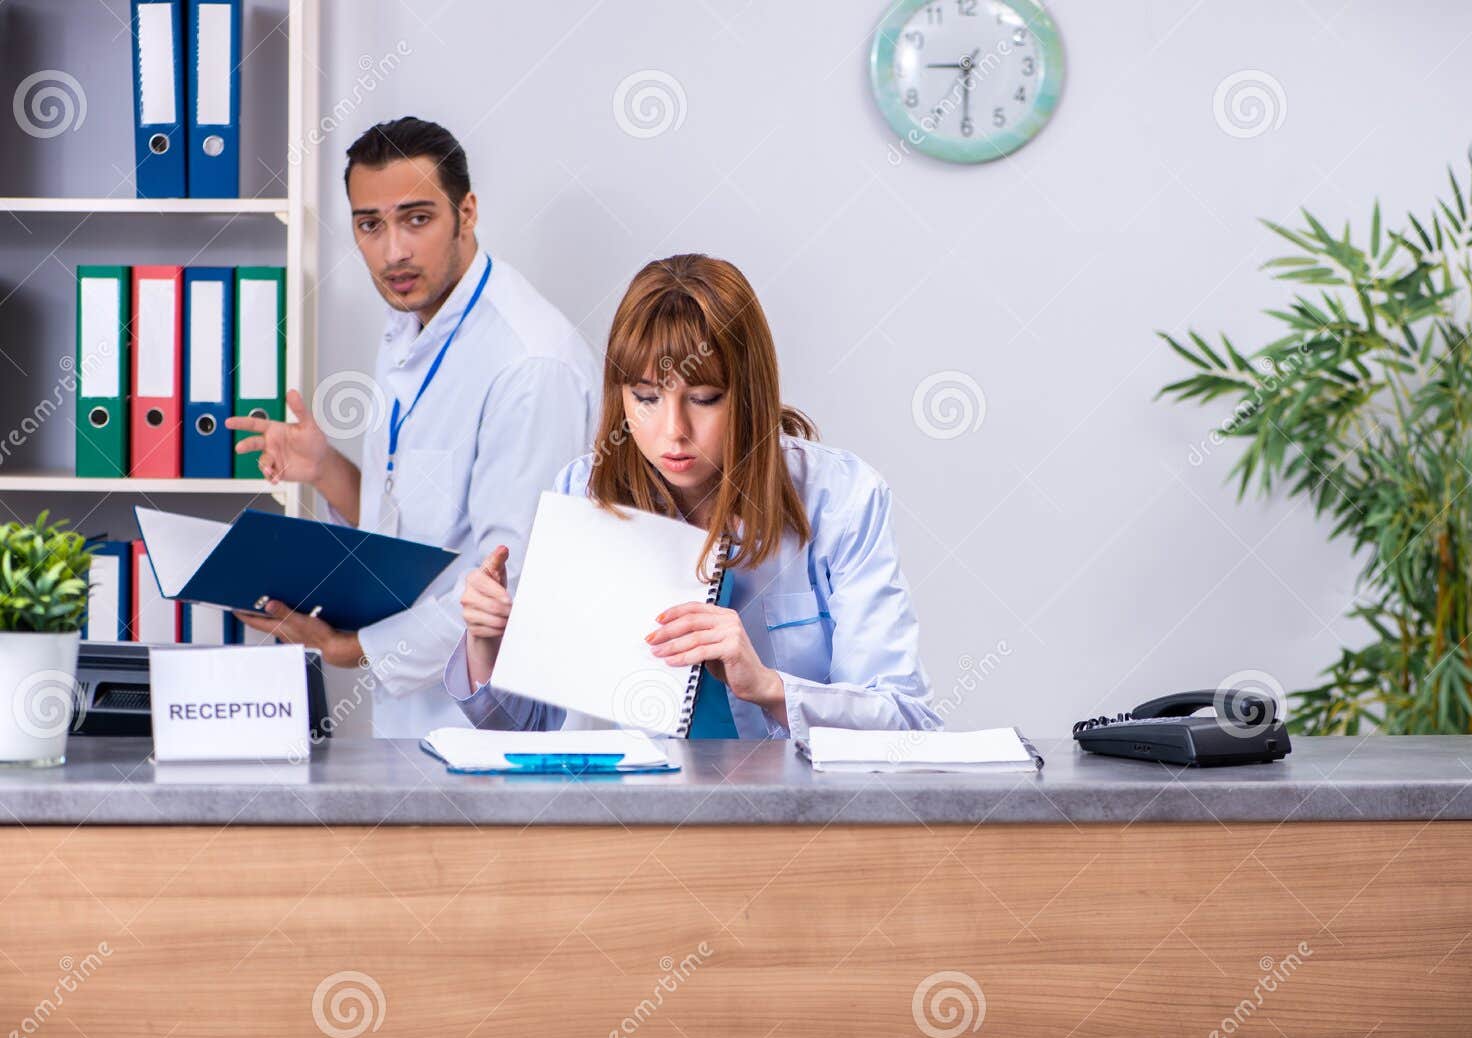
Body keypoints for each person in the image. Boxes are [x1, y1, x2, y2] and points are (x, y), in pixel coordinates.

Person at [443, 253, 939, 739]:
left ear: (750, 393)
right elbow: (521, 726)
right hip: (654, 812)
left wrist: (768, 687)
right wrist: (487, 644)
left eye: (703, 399)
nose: (673, 431)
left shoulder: (842, 497)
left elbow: (908, 722)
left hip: (804, 815)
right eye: (646, 398)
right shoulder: (584, 493)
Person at [225, 116, 600, 738]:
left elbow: (508, 583)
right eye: (370, 225)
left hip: (503, 730)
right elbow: (406, 522)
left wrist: (352, 649)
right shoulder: (411, 321)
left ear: (467, 212)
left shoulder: (530, 362)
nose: (393, 250)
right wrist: (326, 469)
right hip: (412, 727)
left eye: (417, 218)